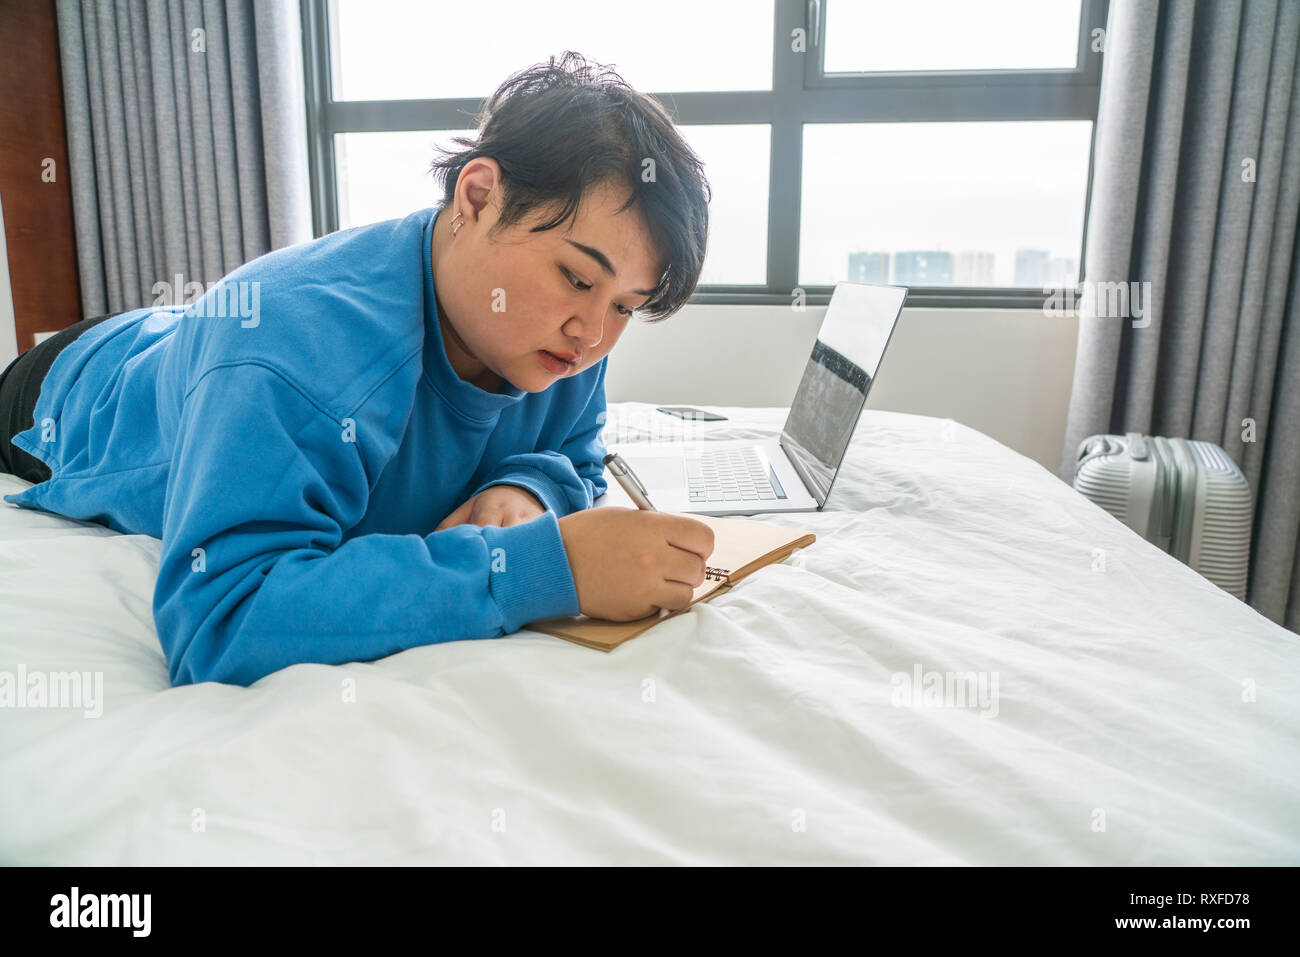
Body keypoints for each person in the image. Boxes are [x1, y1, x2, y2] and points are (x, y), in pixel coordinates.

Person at [0, 52, 715, 687]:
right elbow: (219, 621)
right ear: (477, 196)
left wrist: (527, 488)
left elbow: (575, 457)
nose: (592, 334)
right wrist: (535, 570)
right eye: (576, 277)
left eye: (627, 305)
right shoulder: (293, 352)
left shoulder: (564, 341)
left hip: (182, 345)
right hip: (64, 392)